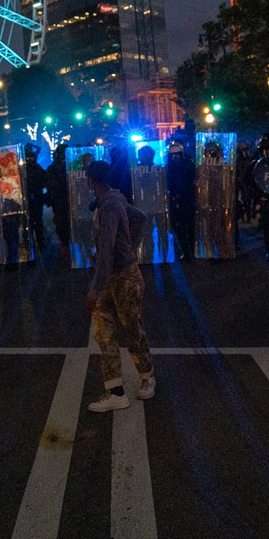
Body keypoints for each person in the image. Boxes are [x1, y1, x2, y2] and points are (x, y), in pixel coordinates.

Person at [84, 160, 154, 413]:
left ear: (92, 181)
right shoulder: (113, 200)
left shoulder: (110, 206)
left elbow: (107, 251)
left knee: (131, 328)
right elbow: (141, 218)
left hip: (123, 276)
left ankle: (146, 377)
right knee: (103, 331)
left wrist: (95, 288)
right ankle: (115, 391)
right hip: (115, 275)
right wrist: (130, 247)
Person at [165, 139, 197, 263]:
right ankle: (190, 251)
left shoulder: (175, 166)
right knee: (186, 227)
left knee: (184, 227)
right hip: (183, 200)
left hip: (183, 200)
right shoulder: (187, 164)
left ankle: (188, 251)